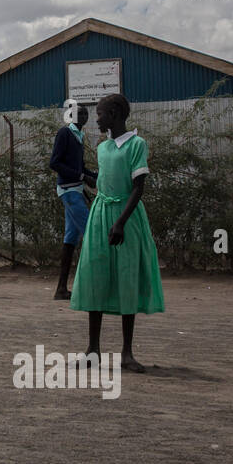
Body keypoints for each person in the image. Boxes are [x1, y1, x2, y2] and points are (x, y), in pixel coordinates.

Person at [69, 94, 164, 373]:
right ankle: (92, 350)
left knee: (126, 278)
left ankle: (127, 353)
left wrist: (121, 222)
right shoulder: (103, 147)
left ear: (114, 113)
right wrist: (83, 179)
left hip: (127, 218)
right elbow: (103, 181)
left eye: (100, 113)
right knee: (95, 277)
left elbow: (138, 188)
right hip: (100, 215)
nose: (96, 118)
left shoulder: (136, 144)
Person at [49, 105, 98, 300]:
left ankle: (61, 288)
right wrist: (81, 176)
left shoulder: (78, 135)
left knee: (70, 240)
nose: (84, 116)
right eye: (80, 113)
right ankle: (91, 286)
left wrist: (95, 175)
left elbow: (80, 166)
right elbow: (55, 163)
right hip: (69, 191)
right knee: (92, 234)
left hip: (75, 190)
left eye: (86, 113)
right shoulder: (65, 133)